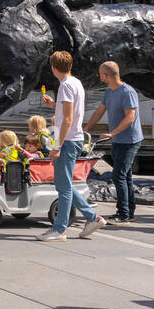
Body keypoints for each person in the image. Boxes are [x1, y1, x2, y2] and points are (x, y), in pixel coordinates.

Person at [38, 50, 105, 241]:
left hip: (67, 140)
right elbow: (71, 112)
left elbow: (67, 119)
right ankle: (93, 217)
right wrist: (54, 105)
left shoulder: (65, 86)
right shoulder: (75, 83)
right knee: (64, 183)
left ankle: (60, 229)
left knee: (64, 187)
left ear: (53, 68)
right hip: (73, 138)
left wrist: (57, 145)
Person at [84, 61, 144, 224]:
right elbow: (99, 111)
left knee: (119, 176)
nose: (99, 76)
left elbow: (130, 117)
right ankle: (129, 211)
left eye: (99, 74)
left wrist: (112, 132)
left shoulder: (127, 92)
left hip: (130, 140)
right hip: (118, 139)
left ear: (106, 75)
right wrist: (86, 129)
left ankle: (123, 214)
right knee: (126, 176)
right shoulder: (109, 91)